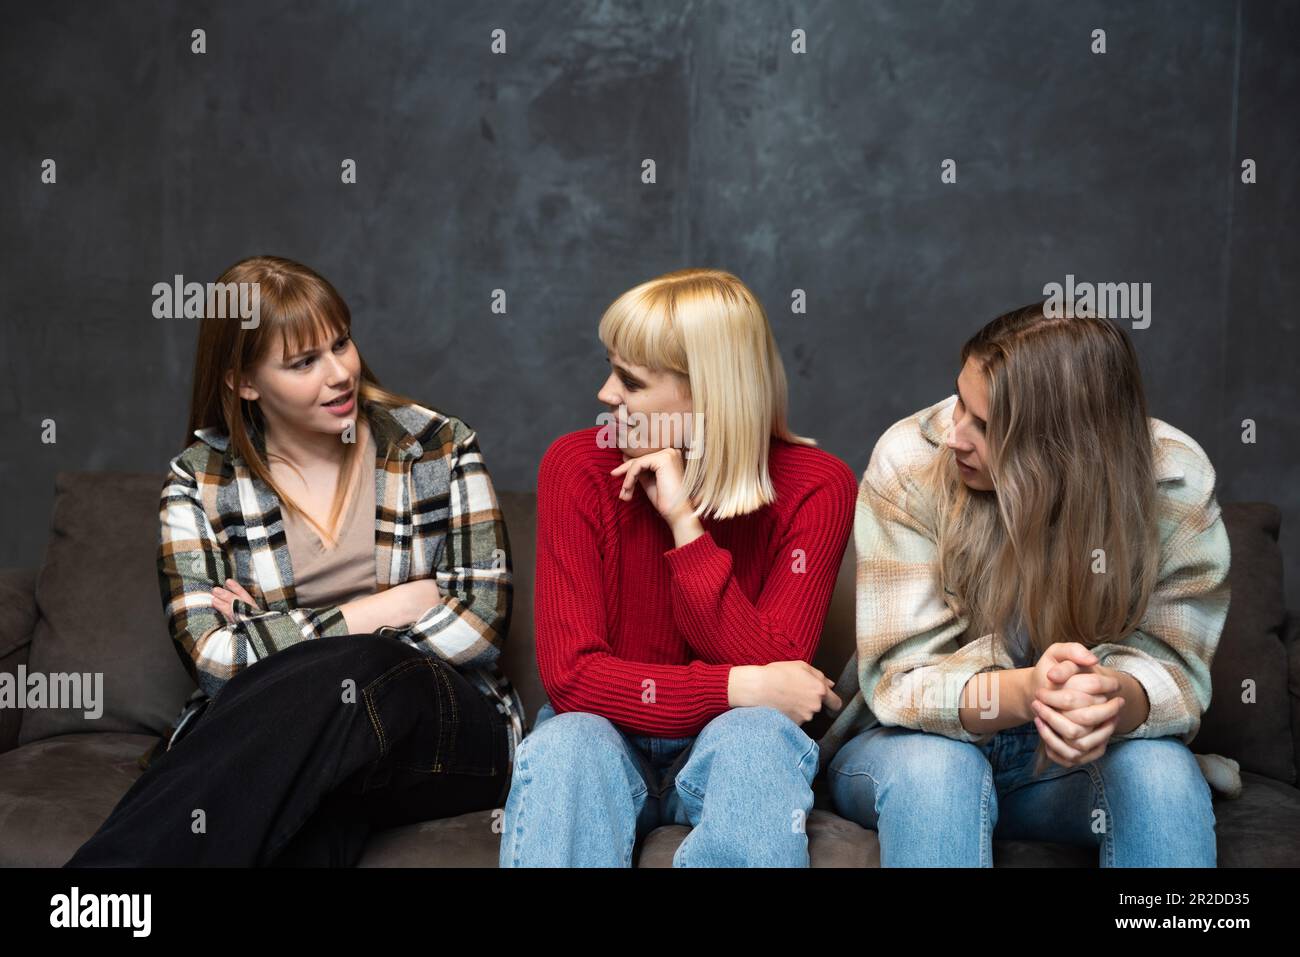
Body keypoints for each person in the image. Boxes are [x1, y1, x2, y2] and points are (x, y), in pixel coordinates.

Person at [65, 255, 522, 867]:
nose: (339, 375)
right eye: (304, 362)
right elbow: (215, 662)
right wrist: (389, 606)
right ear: (243, 381)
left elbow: (479, 628)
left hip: (449, 731)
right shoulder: (200, 481)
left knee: (358, 670)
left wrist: (268, 634)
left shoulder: (436, 446)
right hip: (303, 750)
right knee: (313, 808)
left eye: (341, 343)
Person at [820, 302, 1232, 867]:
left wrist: (1110, 700)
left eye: (984, 426)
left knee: (1161, 775)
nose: (954, 435)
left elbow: (1178, 674)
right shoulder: (911, 458)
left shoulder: (1175, 480)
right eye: (960, 401)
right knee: (942, 774)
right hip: (915, 750)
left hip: (1068, 767)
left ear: (1065, 446)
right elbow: (900, 678)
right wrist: (1029, 693)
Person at [499, 267, 856, 867]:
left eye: (630, 381)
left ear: (707, 396)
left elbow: (778, 678)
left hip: (729, 744)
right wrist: (737, 686)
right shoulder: (576, 466)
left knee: (759, 739)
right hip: (605, 738)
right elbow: (573, 679)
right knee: (567, 741)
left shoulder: (818, 486)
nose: (605, 395)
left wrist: (685, 524)